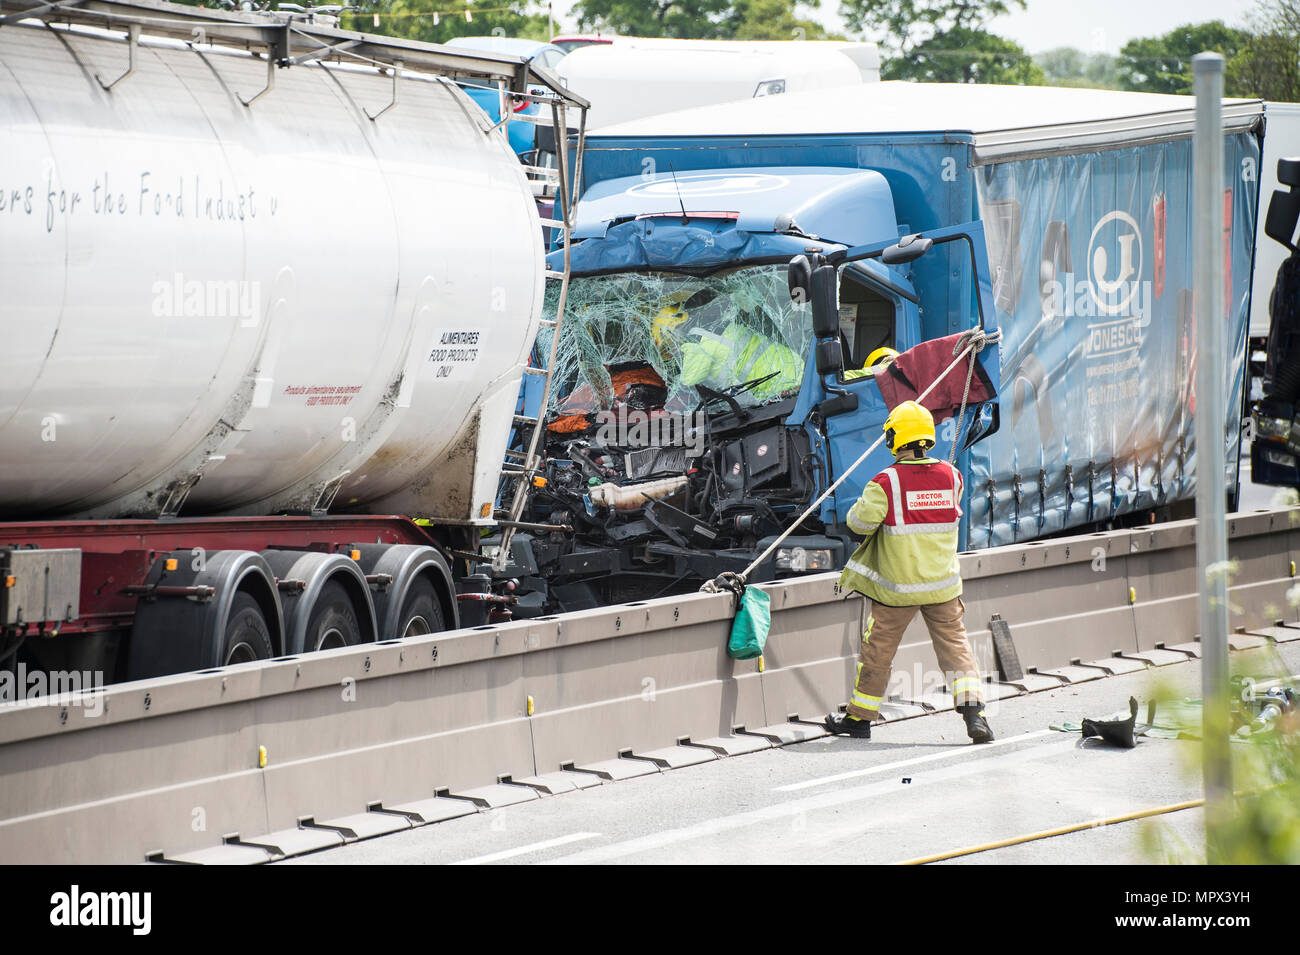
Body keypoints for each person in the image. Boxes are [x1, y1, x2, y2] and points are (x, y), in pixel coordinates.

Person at [825, 400, 993, 743]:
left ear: (893, 439)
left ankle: (858, 720)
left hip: (897, 591)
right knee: (956, 648)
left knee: (878, 652)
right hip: (943, 588)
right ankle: (975, 715)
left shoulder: (886, 483)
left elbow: (858, 523)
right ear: (927, 437)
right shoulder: (953, 476)